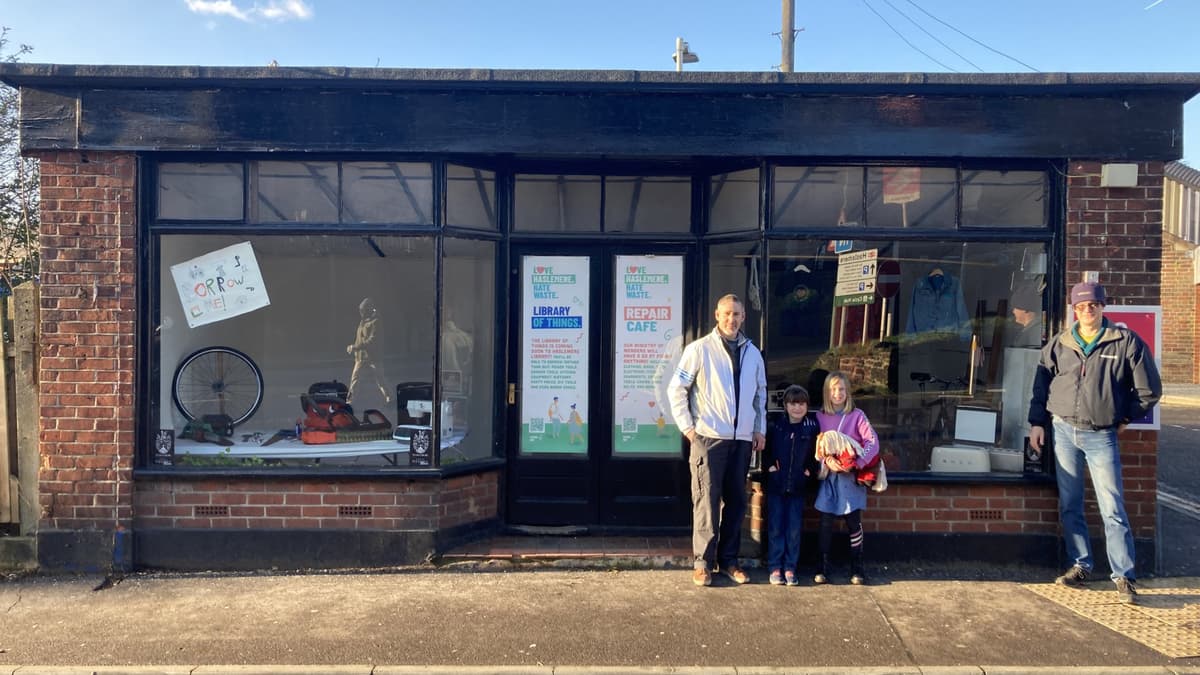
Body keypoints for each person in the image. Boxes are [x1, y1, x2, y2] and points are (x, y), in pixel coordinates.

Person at [1028, 281, 1161, 605]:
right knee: (1071, 504)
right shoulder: (1060, 343)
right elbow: (1041, 385)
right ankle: (1081, 565)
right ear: (1074, 309)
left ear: (1103, 307)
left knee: (1112, 508)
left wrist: (1125, 418)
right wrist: (1036, 423)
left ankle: (1124, 576)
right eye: (1082, 306)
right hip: (1063, 432)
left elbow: (1149, 390)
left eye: (1094, 305)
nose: (1088, 310)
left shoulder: (1125, 341)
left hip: (1102, 434)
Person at [668, 293, 767, 587]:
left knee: (736, 502)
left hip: (742, 440)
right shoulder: (699, 349)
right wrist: (689, 429)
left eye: (736, 314)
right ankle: (703, 563)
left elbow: (760, 394)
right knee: (707, 503)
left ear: (743, 317)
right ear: (717, 315)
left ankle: (729, 561)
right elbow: (677, 390)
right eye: (726, 313)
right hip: (709, 439)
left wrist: (758, 429)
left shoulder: (753, 353)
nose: (731, 319)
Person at [813, 370, 879, 585]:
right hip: (830, 479)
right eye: (833, 389)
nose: (838, 393)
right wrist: (825, 462)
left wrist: (857, 464)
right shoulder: (820, 416)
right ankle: (822, 566)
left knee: (853, 522)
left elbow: (872, 442)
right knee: (825, 522)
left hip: (850, 480)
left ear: (848, 392)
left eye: (841, 389)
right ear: (826, 392)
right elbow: (816, 448)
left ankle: (857, 566)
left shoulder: (857, 416)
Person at [763, 384, 819, 587]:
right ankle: (775, 566)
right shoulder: (776, 426)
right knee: (776, 527)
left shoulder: (811, 428)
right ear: (785, 406)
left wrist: (808, 472)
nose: (797, 408)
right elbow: (766, 451)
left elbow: (816, 454)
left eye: (802, 403)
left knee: (794, 528)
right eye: (793, 404)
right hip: (777, 486)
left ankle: (790, 567)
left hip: (798, 486)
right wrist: (771, 469)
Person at [346, 297, 391, 406]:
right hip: (361, 357)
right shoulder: (363, 321)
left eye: (362, 310)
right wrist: (355, 347)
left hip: (373, 357)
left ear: (368, 310)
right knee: (354, 380)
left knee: (380, 379)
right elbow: (360, 337)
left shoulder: (376, 322)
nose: (360, 313)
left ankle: (390, 398)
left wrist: (355, 347)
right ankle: (349, 402)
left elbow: (372, 340)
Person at [1006, 284, 1044, 348]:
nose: (1013, 311)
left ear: (1025, 309)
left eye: (1015, 307)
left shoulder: (1035, 333)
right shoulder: (1030, 330)